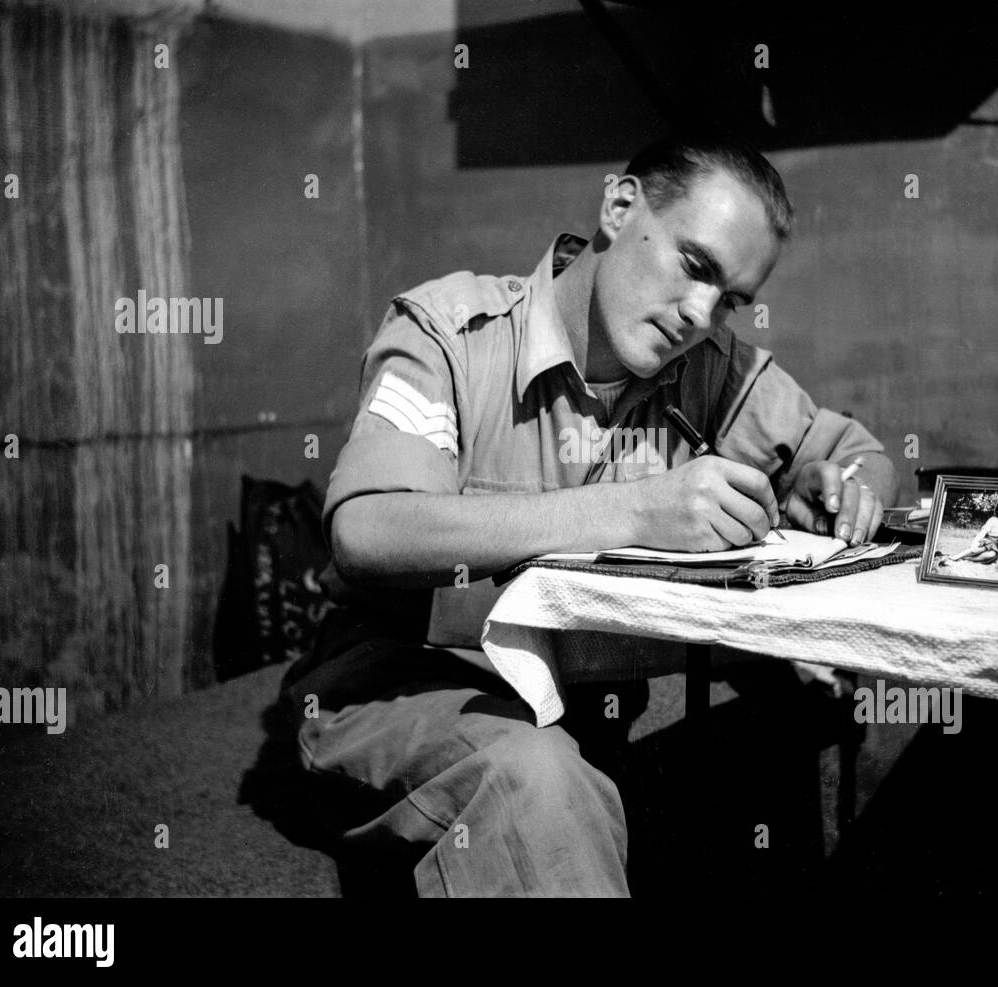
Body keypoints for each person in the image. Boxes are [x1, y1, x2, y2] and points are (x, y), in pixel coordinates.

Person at [279, 132, 900, 897]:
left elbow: (862, 453)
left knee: (594, 766)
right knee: (536, 778)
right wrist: (631, 509)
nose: (701, 315)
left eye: (731, 298)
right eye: (695, 266)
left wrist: (829, 479)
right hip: (397, 694)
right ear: (618, 206)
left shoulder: (711, 371)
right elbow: (367, 529)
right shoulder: (452, 333)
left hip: (577, 721)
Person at [939, 500, 998, 566]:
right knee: (977, 550)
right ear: (997, 510)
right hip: (989, 541)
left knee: (990, 555)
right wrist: (975, 542)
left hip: (997, 546)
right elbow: (983, 532)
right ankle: (954, 557)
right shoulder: (993, 520)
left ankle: (967, 559)